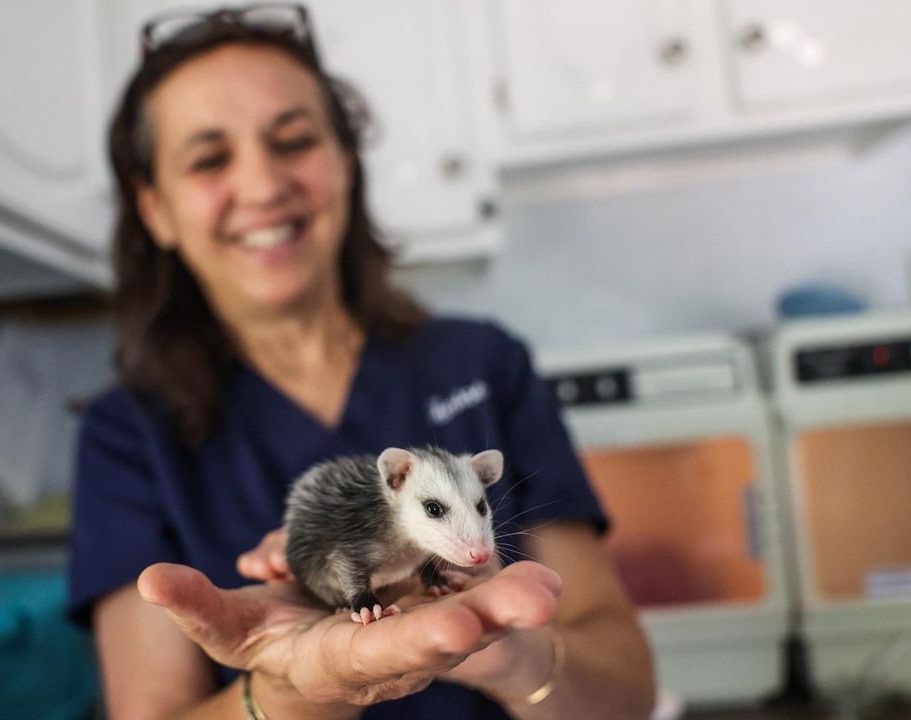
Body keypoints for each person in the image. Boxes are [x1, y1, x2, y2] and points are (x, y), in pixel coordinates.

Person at [67, 5, 656, 718]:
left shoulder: (481, 363)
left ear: (346, 165)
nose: (261, 186)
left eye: (293, 140)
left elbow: (625, 695)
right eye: (209, 159)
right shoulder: (128, 436)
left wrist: (508, 651)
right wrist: (291, 691)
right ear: (156, 209)